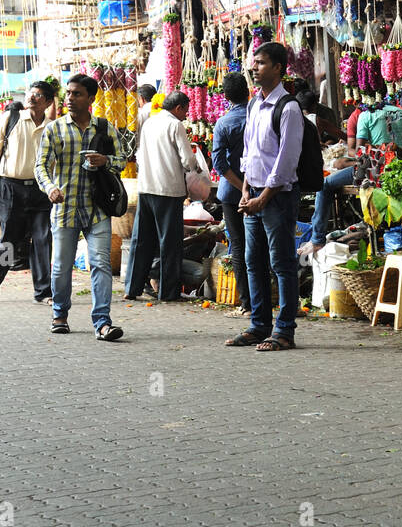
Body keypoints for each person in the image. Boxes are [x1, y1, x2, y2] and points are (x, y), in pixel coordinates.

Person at [35, 74, 126, 341]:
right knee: (62, 266)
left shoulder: (104, 127)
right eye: (69, 93)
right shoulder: (55, 129)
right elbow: (40, 165)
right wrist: (50, 188)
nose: (70, 99)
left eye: (77, 94)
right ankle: (59, 315)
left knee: (101, 264)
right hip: (65, 209)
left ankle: (102, 323)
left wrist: (105, 161)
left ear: (91, 98)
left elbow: (121, 160)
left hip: (98, 209)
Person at [235, 42, 302, 352]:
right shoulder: (253, 105)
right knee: (253, 261)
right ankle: (259, 324)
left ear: (277, 67)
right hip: (254, 196)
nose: (254, 67)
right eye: (254, 62)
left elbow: (286, 161)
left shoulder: (287, 107)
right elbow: (250, 153)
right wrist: (247, 190)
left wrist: (264, 197)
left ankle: (284, 330)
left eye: (260, 63)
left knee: (282, 263)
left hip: (278, 198)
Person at [303, 96, 402, 258]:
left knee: (324, 184)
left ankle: (317, 239)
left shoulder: (364, 116)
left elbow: (360, 153)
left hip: (374, 168)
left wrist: (346, 162)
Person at [0, 80, 55, 303]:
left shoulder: (52, 126)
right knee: (10, 238)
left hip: (41, 190)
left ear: (48, 102)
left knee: (42, 239)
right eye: (31, 93)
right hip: (11, 187)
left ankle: (43, 292)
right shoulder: (10, 119)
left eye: (38, 95)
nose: (31, 97)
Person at [125, 90, 196, 303]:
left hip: (146, 188)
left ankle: (132, 287)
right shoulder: (175, 125)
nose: (186, 115)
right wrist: (195, 167)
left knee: (141, 240)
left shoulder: (149, 123)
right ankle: (168, 292)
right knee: (170, 243)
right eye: (186, 110)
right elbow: (188, 160)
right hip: (168, 190)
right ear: (179, 108)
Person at [213, 71, 253, 329]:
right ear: (248, 91)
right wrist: (249, 188)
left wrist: (240, 188)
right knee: (259, 243)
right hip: (260, 191)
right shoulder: (258, 116)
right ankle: (262, 300)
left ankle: (247, 303)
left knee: (238, 245)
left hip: (231, 194)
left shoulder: (224, 123)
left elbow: (219, 164)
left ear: (225, 96)